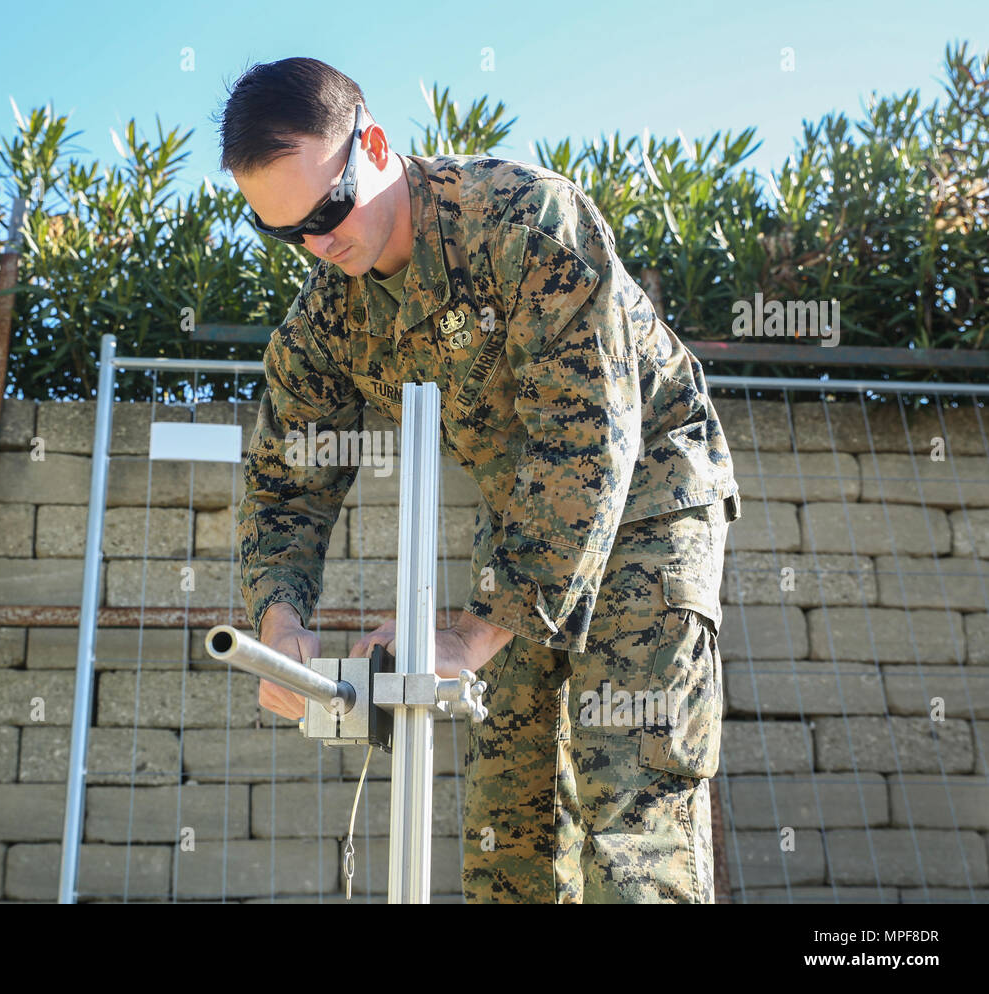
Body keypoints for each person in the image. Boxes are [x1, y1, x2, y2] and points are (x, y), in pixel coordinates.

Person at [218, 56, 742, 903]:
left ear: (375, 144)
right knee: (513, 827)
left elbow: (586, 445)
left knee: (629, 817)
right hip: (522, 530)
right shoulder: (328, 316)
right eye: (287, 233)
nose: (319, 243)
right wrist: (281, 625)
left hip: (647, 502)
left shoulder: (523, 220)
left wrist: (469, 637)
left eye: (329, 209)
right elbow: (288, 477)